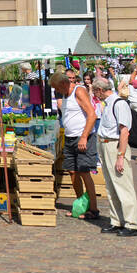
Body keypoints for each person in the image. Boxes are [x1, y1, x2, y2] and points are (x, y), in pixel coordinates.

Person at [51, 71, 100, 220]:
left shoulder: (78, 91)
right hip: (70, 137)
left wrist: (84, 137)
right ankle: (81, 205)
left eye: (56, 88)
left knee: (85, 172)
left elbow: (92, 114)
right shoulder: (65, 95)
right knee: (72, 172)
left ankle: (93, 209)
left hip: (82, 137)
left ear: (64, 84)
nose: (56, 92)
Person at [95, 78, 137, 237]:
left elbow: (124, 131)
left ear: (100, 90)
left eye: (95, 92)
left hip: (114, 146)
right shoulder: (108, 104)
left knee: (123, 185)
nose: (95, 95)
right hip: (105, 144)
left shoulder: (119, 104)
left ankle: (132, 224)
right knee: (111, 186)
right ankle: (117, 220)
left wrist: (121, 156)